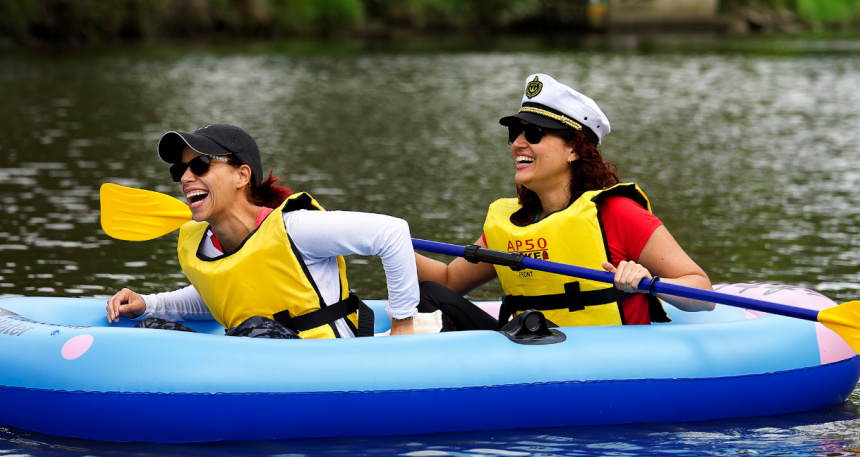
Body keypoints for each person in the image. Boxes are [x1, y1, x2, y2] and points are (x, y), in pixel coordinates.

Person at [416, 73, 714, 331]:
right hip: (528, 347)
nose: (518, 143)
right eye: (515, 132)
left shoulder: (617, 213)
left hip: (603, 357)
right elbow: (448, 281)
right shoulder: (515, 223)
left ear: (574, 149)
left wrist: (650, 281)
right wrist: (393, 242)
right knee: (429, 294)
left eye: (534, 133)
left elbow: (703, 292)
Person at [107, 124, 418, 338]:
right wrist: (149, 304)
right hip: (251, 359)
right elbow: (219, 296)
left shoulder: (297, 229)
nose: (186, 177)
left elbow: (392, 233)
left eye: (200, 164)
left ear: (242, 175)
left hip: (326, 361)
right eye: (179, 170)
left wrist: (402, 326)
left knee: (256, 327)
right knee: (151, 327)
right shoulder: (202, 242)